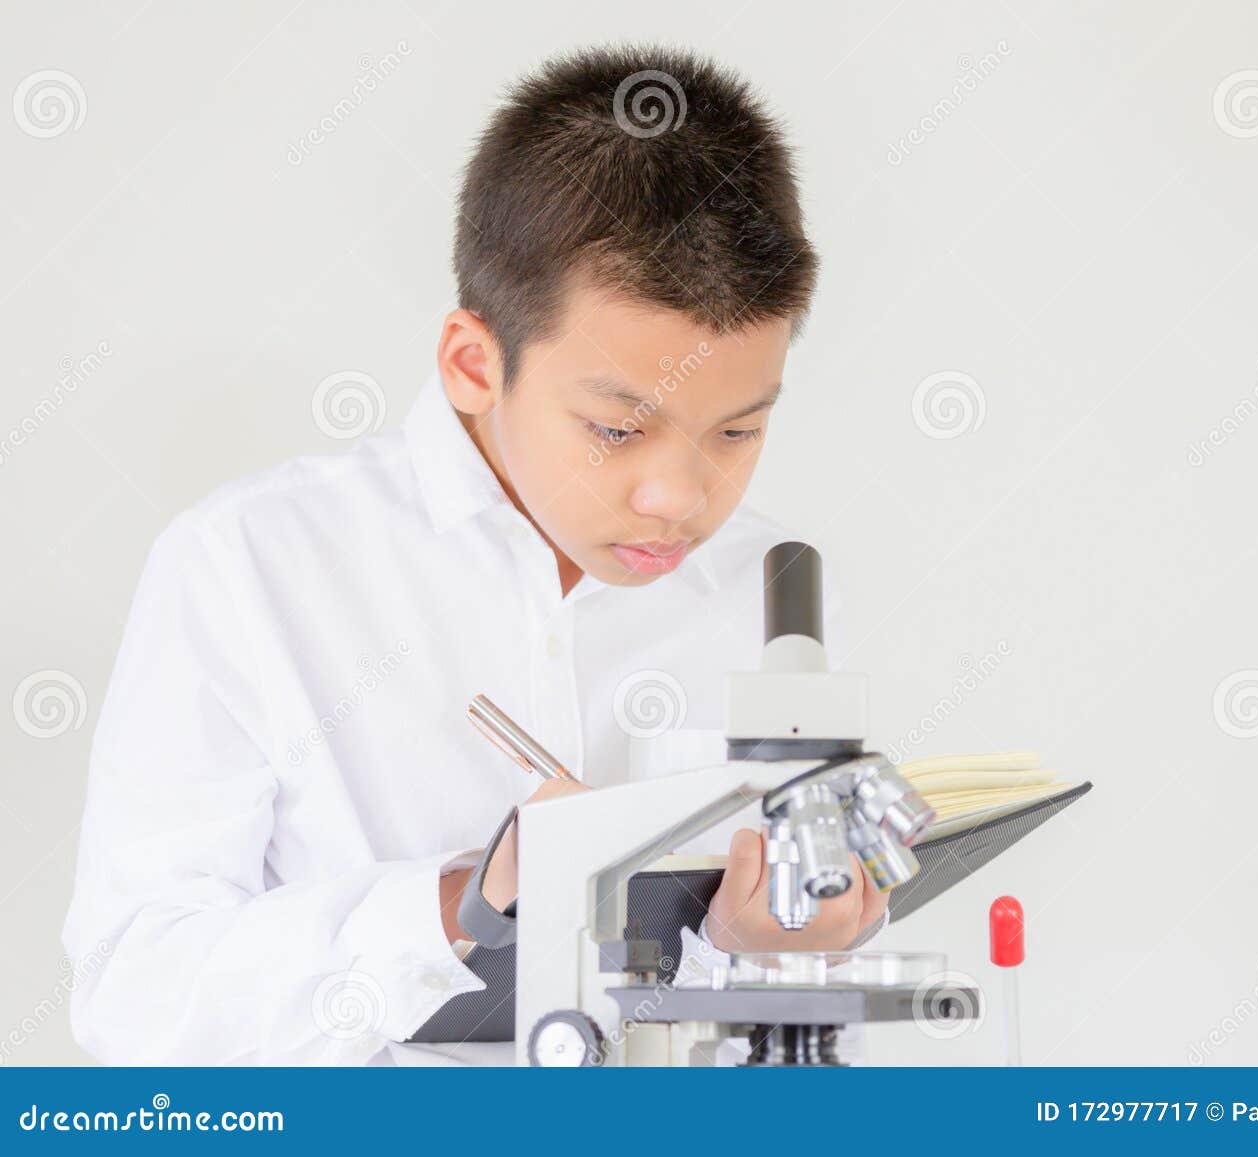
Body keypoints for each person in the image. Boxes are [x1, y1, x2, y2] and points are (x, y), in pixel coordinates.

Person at [61, 45, 886, 1065]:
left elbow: (770, 1041)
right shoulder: (248, 565)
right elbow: (132, 997)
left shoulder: (775, 592)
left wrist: (753, 946)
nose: (681, 499)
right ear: (472, 363)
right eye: (618, 430)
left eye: (736, 431)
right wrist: (465, 897)